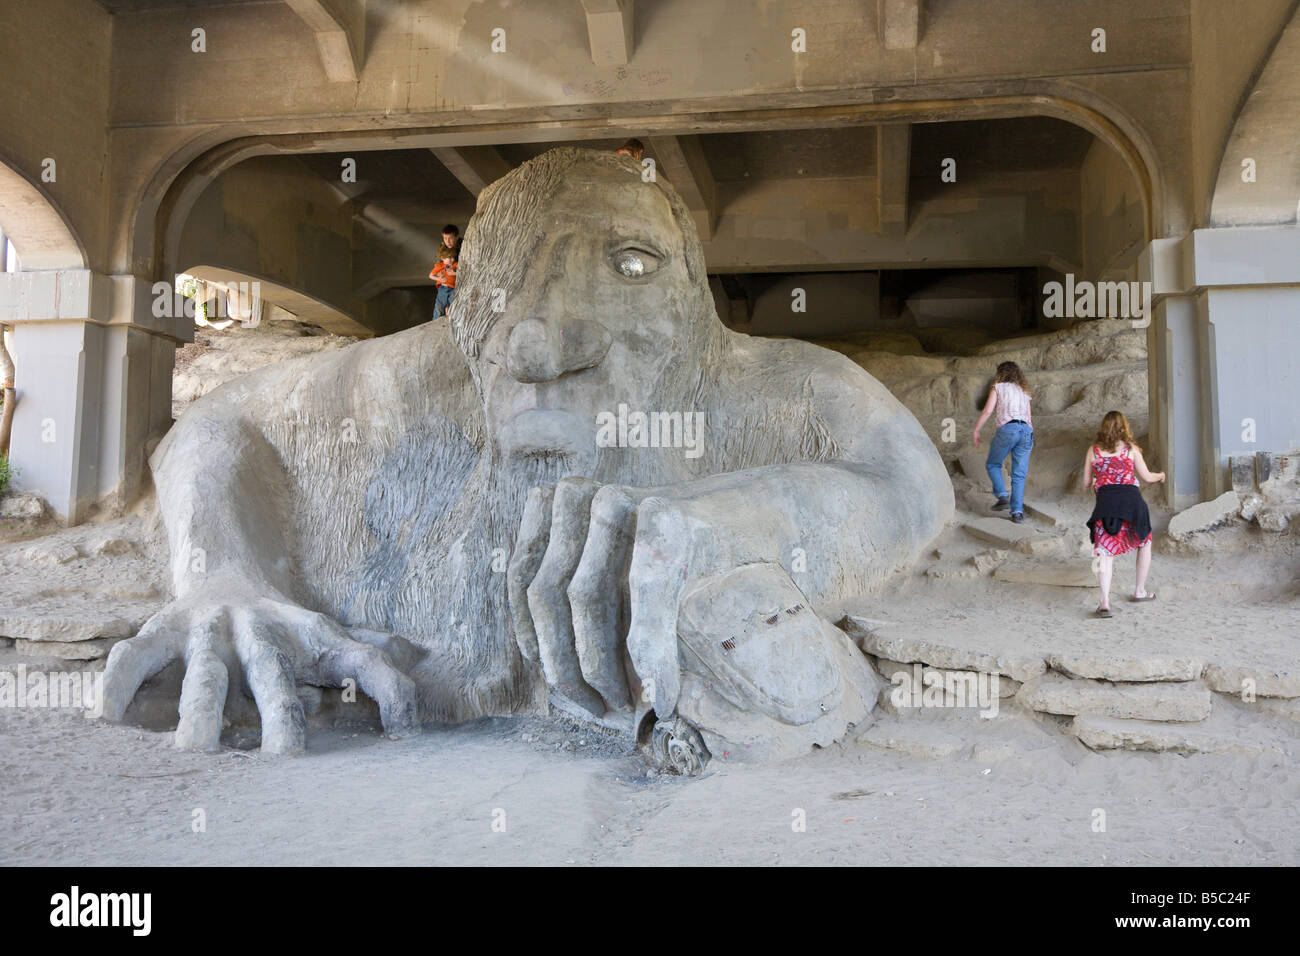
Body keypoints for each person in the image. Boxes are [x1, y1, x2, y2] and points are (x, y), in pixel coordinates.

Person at [1083, 410, 1164, 618]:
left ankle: (1104, 603)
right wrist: (1161, 476)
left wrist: (1097, 482)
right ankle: (1139, 590)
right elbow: (1146, 476)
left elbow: (1085, 482)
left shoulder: (1093, 451)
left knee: (1105, 553)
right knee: (1144, 543)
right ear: (1124, 428)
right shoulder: (1131, 450)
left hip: (1106, 504)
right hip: (1132, 503)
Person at [973, 360, 1034, 523]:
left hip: (1008, 428)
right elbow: (1029, 417)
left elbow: (987, 411)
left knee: (993, 464)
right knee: (1019, 475)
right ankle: (1017, 513)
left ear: (1000, 374)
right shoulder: (1024, 391)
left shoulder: (998, 388)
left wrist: (976, 429)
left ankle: (1002, 495)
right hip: (1027, 431)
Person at [429, 243, 457, 318]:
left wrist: (454, 273)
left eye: (453, 257)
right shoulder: (440, 266)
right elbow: (431, 276)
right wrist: (439, 279)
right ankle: (435, 321)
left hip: (453, 289)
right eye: (449, 258)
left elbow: (462, 273)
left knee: (452, 305)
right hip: (443, 288)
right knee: (439, 306)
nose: (452, 260)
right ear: (442, 258)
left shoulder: (456, 265)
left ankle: (450, 319)